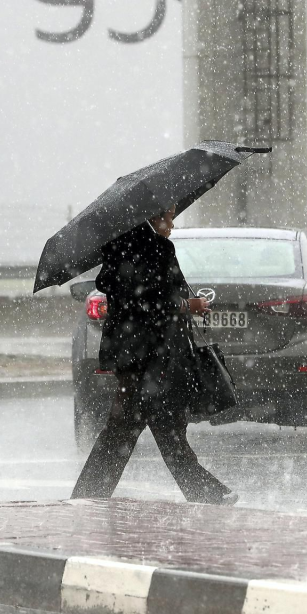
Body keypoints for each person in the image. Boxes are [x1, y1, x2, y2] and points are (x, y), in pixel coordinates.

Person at [71, 205, 238, 505]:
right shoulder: (157, 249)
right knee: (154, 425)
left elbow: (131, 300)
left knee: (136, 426)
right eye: (168, 216)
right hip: (155, 354)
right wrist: (190, 306)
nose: (172, 223)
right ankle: (206, 493)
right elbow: (155, 301)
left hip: (129, 354)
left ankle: (88, 495)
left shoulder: (118, 248)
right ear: (150, 217)